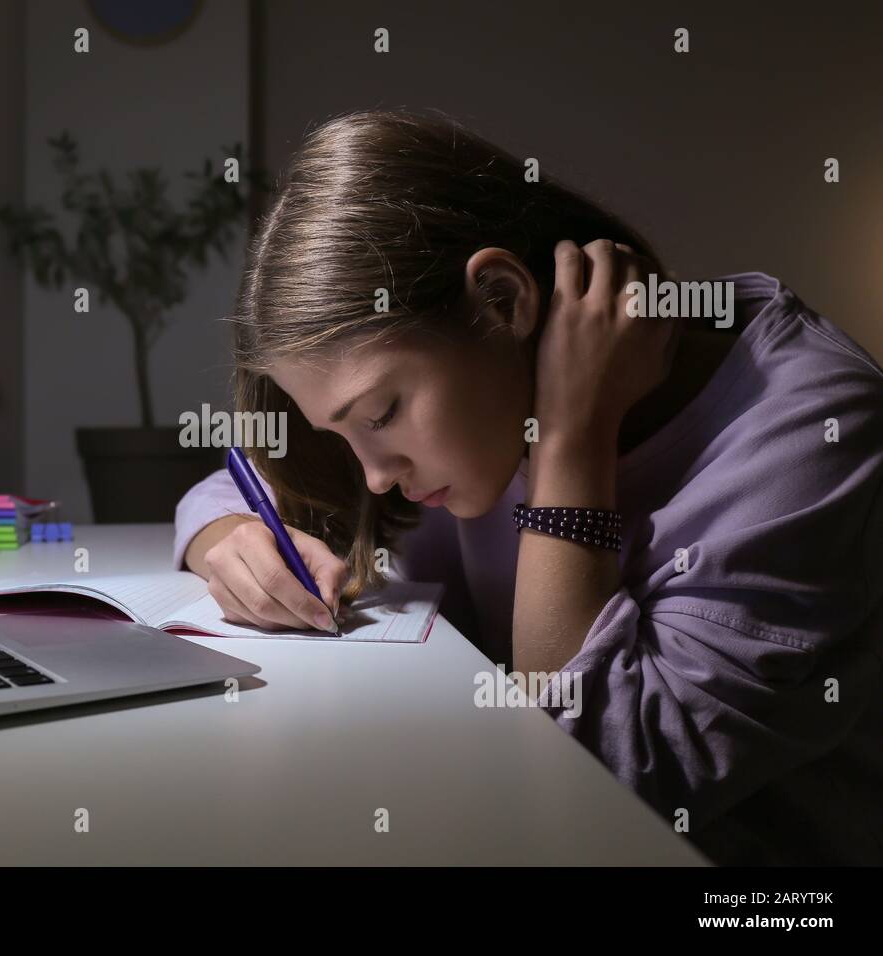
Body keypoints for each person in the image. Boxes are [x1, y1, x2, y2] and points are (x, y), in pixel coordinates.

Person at [172, 108, 883, 865]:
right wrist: (227, 539)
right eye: (337, 434)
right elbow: (237, 488)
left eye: (381, 414)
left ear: (503, 302)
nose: (375, 475)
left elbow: (599, 779)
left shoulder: (815, 430)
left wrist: (575, 441)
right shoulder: (487, 402)